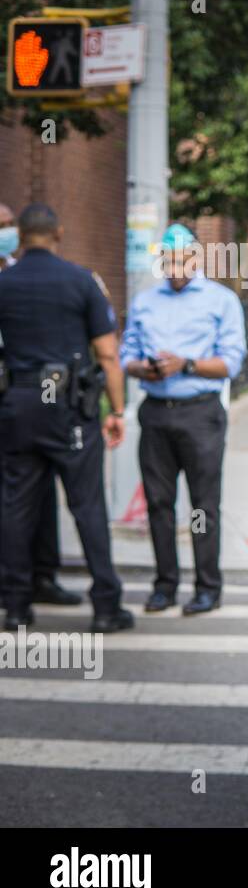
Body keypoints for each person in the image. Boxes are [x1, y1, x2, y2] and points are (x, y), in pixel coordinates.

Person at [0, 204, 130, 632]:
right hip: (68, 408)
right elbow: (108, 354)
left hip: (18, 404)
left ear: (19, 235)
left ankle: (17, 608)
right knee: (87, 506)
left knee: (16, 507)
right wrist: (117, 410)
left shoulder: (5, 283)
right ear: (58, 231)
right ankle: (106, 608)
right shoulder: (81, 281)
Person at [120, 223, 247, 616]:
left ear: (197, 258)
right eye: (169, 260)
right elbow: (127, 357)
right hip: (156, 412)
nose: (176, 267)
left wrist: (185, 364)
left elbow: (231, 361)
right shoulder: (144, 302)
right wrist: (146, 369)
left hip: (200, 415)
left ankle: (207, 587)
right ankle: (164, 586)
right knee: (159, 503)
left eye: (183, 259)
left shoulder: (221, 300)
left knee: (202, 506)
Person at [0, 202, 82, 608]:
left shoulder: (10, 276)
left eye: (7, 224)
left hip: (22, 401)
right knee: (30, 499)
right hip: (42, 399)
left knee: (29, 497)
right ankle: (18, 590)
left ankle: (30, 589)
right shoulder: (71, 278)